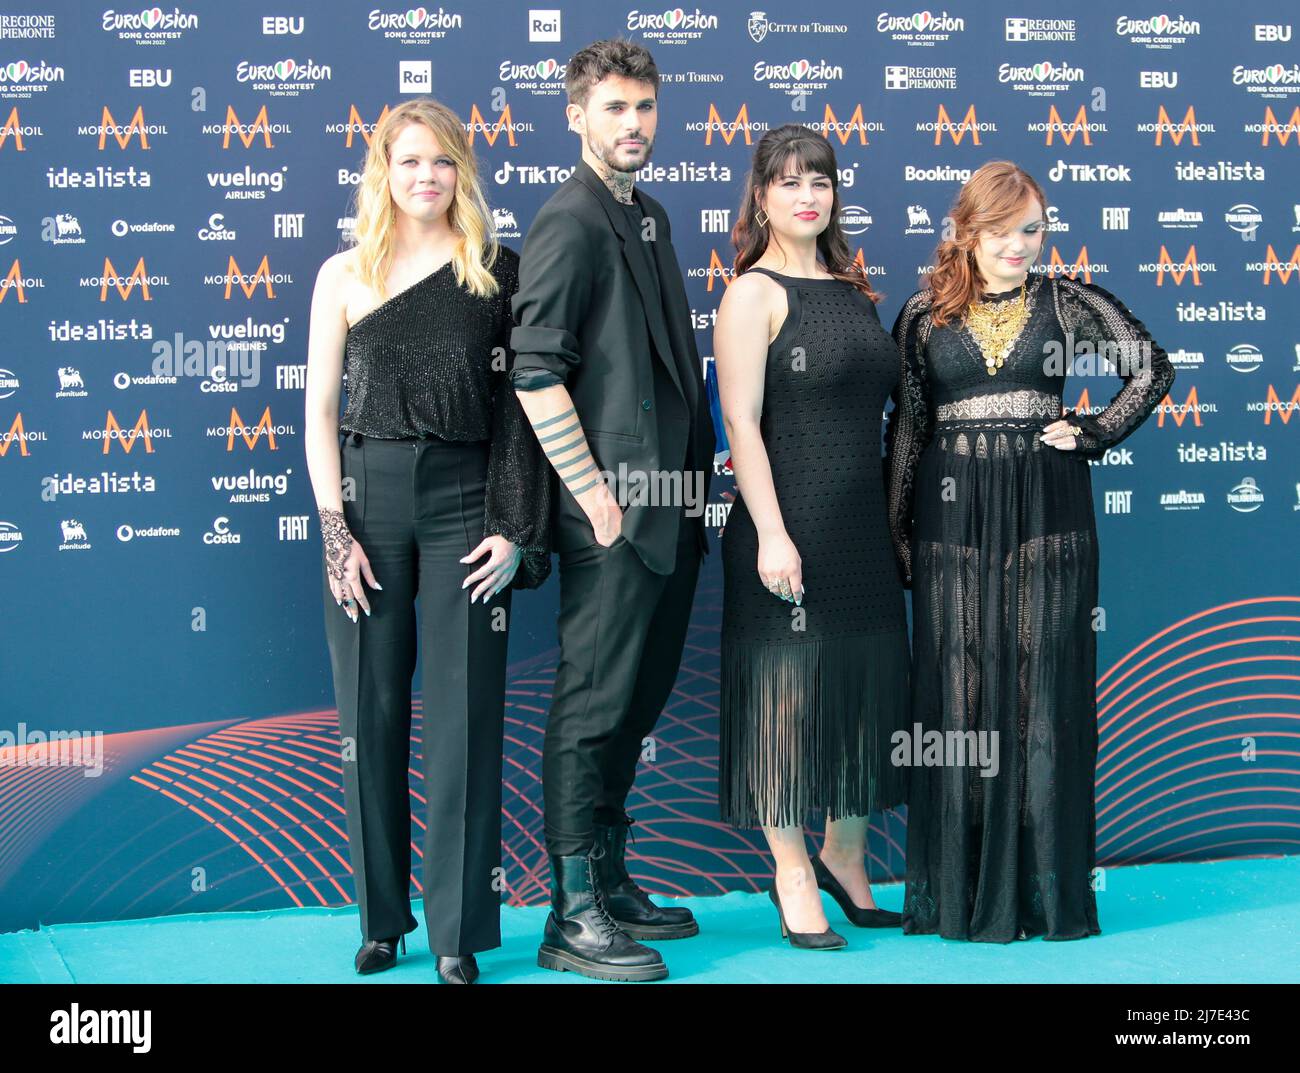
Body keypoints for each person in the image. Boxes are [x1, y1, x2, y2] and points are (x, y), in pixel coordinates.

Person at [887, 160, 1175, 942]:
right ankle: (962, 887)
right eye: (1001, 230)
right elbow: (911, 430)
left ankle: (1042, 890)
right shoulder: (922, 315)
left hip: (1046, 514)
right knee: (960, 688)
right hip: (953, 520)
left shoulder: (1066, 300)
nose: (1018, 245)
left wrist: (1094, 429)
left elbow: (1150, 369)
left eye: (1032, 230)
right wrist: (899, 534)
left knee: (1039, 687)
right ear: (966, 231)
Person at [304, 98, 551, 983]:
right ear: (384, 170)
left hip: (465, 500)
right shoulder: (342, 274)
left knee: (465, 719)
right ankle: (380, 919)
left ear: (463, 173)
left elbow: (524, 416)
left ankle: (456, 930)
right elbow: (320, 415)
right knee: (369, 717)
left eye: (442, 162)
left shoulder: (497, 272)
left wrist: (514, 527)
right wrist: (337, 535)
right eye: (409, 161)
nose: (426, 177)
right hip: (366, 503)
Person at [509, 38, 715, 982]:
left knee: (634, 701)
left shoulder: (651, 216)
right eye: (614, 108)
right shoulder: (570, 220)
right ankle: (572, 911)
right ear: (576, 115)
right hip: (613, 517)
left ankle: (614, 878)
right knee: (592, 707)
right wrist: (593, 495)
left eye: (644, 107)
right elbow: (536, 370)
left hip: (670, 511)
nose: (632, 124)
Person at [713, 125, 908, 951]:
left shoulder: (855, 291)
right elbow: (741, 423)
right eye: (789, 182)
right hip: (786, 526)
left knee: (863, 691)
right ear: (762, 197)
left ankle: (846, 857)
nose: (807, 195)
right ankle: (792, 871)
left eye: (820, 182)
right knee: (786, 704)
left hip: (862, 529)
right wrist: (771, 534)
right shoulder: (750, 294)